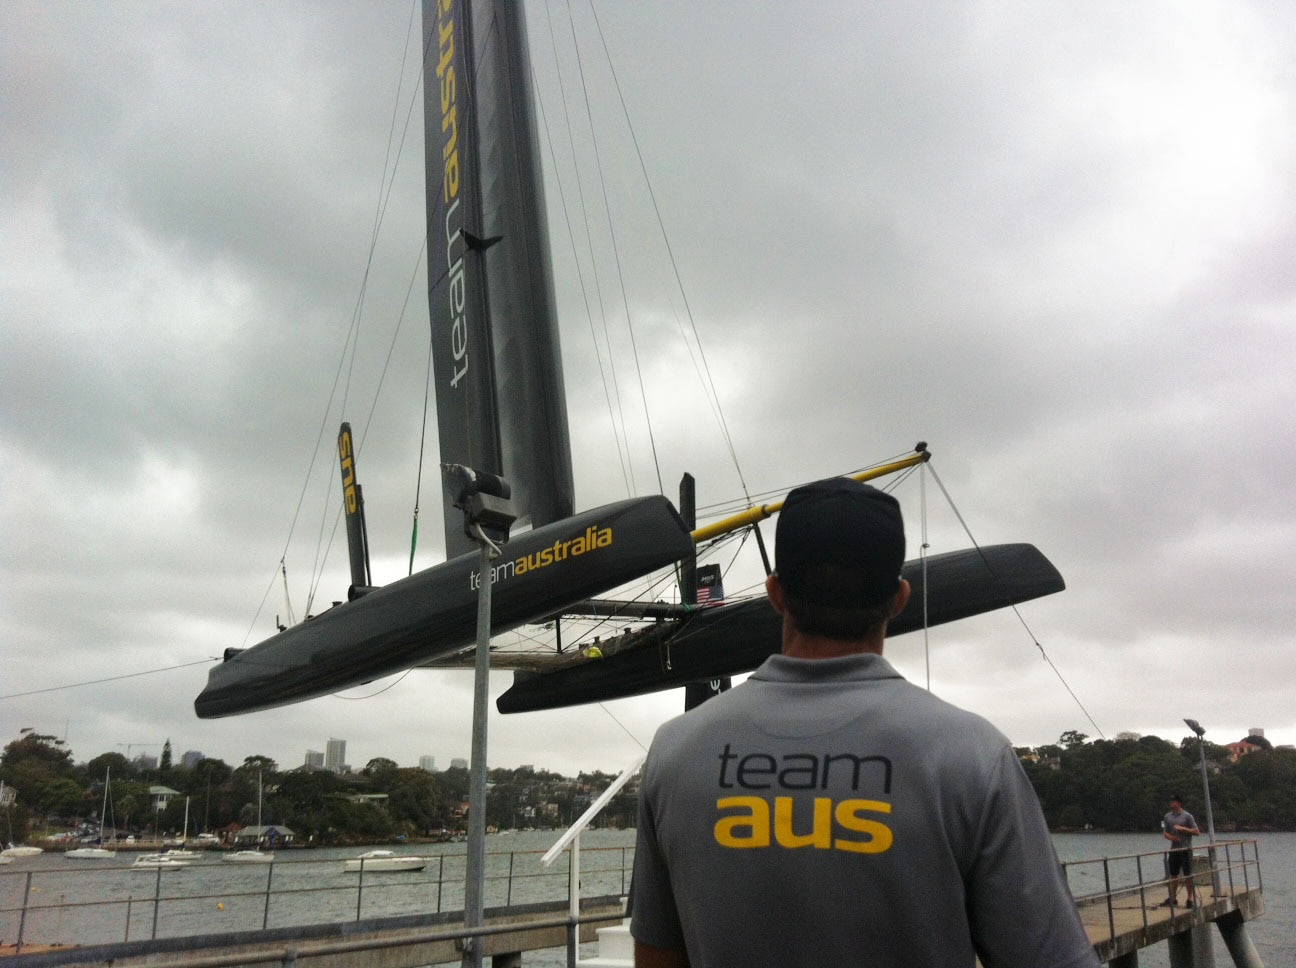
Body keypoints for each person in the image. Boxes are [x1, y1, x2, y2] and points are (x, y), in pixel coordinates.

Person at [628, 478, 1099, 968]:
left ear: (775, 593)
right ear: (899, 598)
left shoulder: (675, 752)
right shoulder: (973, 756)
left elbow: (656, 956)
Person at [1161, 795, 1201, 907]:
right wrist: (1173, 838)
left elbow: (1197, 832)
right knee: (1173, 874)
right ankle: (1173, 898)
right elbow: (1165, 833)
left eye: (1173, 801)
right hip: (1174, 850)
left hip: (1185, 849)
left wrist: (1183, 828)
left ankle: (1189, 899)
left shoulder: (1187, 816)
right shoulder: (1167, 816)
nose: (1171, 803)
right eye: (1170, 801)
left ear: (1179, 803)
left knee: (1188, 875)